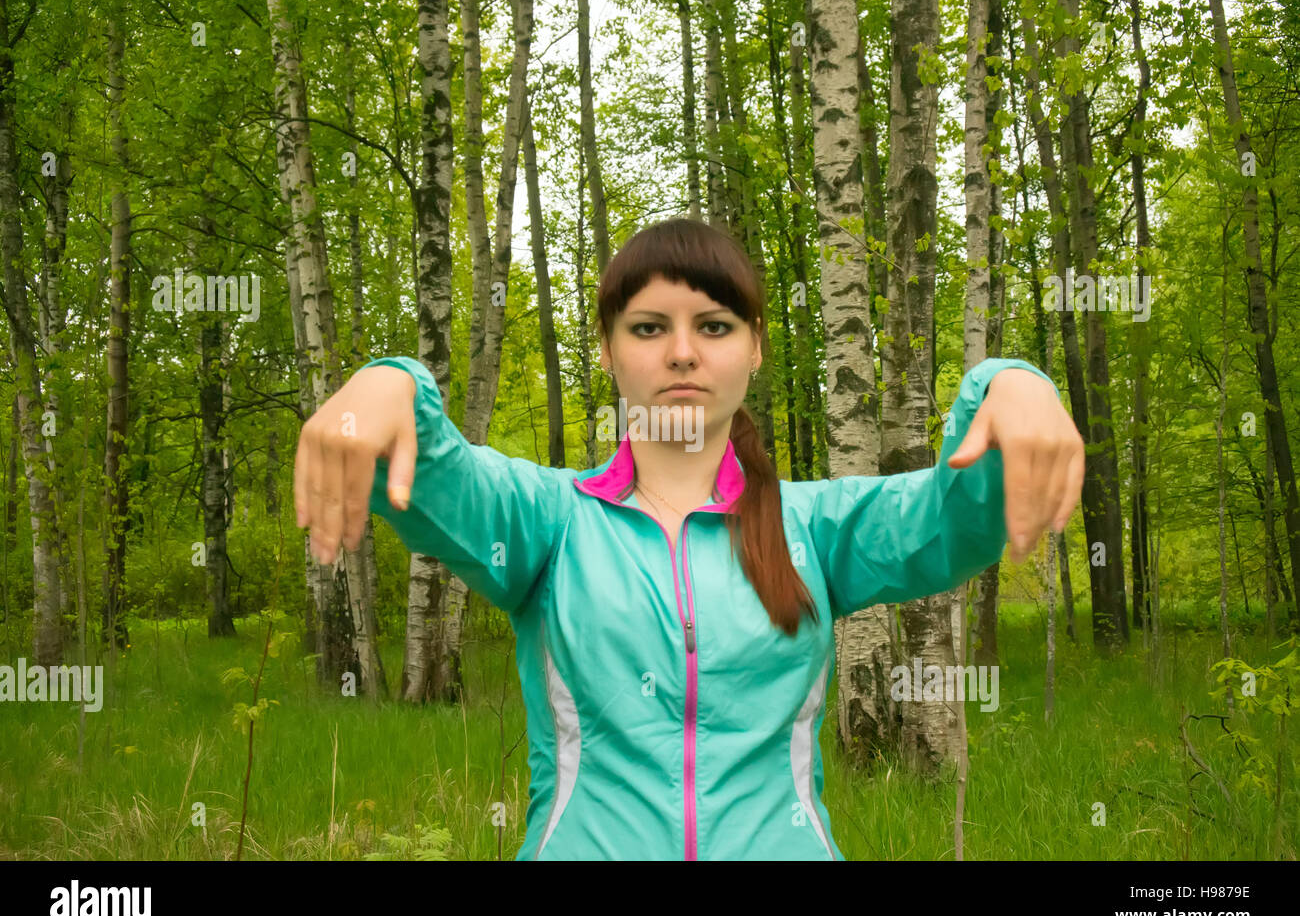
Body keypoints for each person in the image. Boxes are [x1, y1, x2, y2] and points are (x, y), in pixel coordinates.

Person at [294, 216, 1084, 860]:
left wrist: (1015, 384)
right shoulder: (546, 522)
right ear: (607, 351)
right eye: (648, 327)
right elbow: (435, 476)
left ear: (756, 346)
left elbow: (960, 516)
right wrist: (387, 381)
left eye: (713, 324)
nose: (681, 351)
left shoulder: (816, 527)